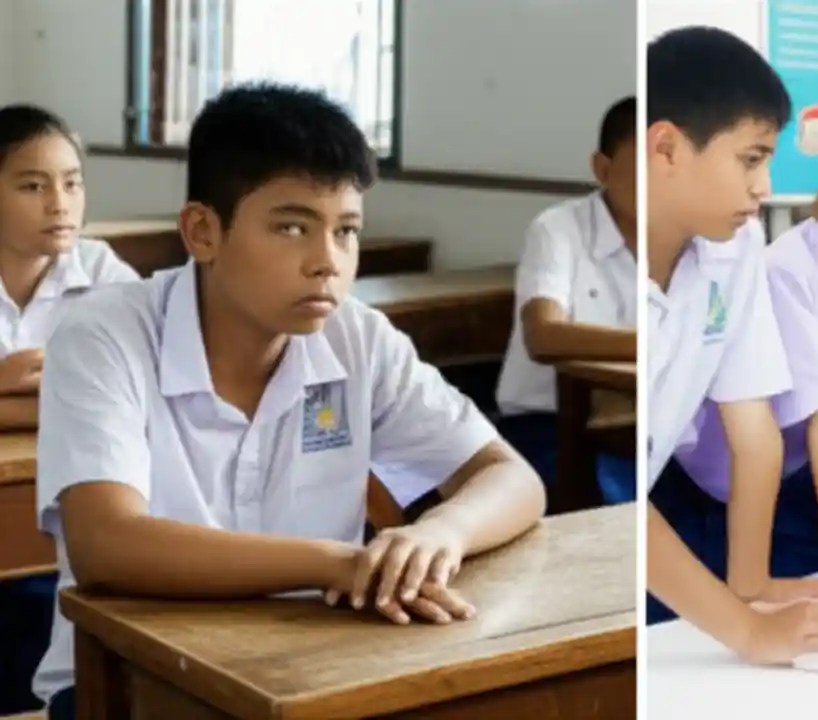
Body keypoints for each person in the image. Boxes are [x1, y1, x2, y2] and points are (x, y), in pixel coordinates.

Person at [32, 83, 545, 718]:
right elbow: (106, 543)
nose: (327, 262)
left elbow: (512, 477)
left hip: (308, 671)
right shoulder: (106, 333)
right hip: (126, 680)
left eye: (347, 230)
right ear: (202, 232)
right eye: (292, 227)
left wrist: (442, 531)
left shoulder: (356, 337)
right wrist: (335, 564)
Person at [646, 26, 818, 671]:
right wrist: (746, 629)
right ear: (666, 148)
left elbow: (756, 434)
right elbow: (633, 507)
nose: (764, 186)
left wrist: (752, 589)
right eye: (750, 159)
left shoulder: (735, 247)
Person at [0, 104, 138, 716]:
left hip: (65, 522)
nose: (60, 203)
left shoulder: (103, 271)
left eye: (72, 182)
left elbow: (129, 393)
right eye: (32, 185)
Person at [494, 96, 637, 504]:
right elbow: (543, 335)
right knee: (620, 506)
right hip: (547, 426)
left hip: (634, 424)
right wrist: (649, 344)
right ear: (603, 168)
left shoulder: (678, 239)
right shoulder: (558, 229)